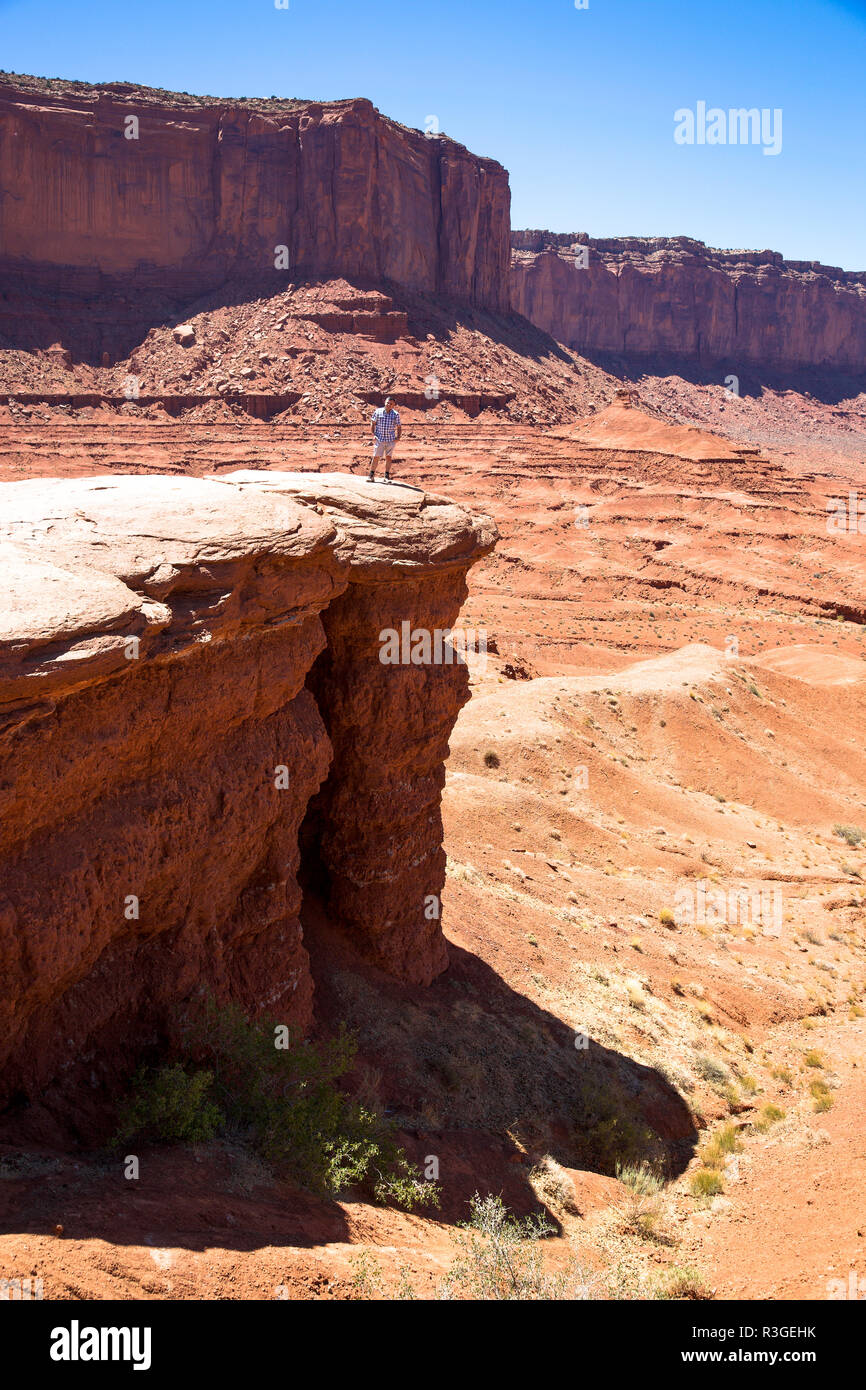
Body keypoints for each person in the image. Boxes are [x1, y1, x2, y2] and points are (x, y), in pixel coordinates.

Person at [368, 396, 401, 482]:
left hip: (390, 440)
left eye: (391, 404)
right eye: (388, 403)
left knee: (388, 457)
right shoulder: (378, 411)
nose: (389, 405)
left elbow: (399, 426)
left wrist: (398, 437)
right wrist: (373, 434)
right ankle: (371, 475)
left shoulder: (395, 414)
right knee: (376, 457)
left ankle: (386, 476)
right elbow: (373, 422)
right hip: (380, 439)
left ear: (394, 405)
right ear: (385, 402)